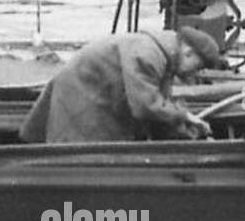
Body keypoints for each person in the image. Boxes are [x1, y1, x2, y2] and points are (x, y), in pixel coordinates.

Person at [20, 27, 225, 144]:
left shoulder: (164, 57)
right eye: (196, 67)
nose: (193, 74)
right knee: (89, 158)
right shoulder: (148, 54)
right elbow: (145, 106)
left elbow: (158, 103)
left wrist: (185, 130)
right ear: (188, 52)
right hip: (83, 96)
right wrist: (184, 116)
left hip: (100, 94)